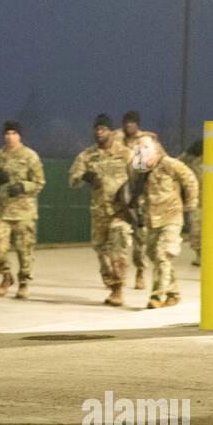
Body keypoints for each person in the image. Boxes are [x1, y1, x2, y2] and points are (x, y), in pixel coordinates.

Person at [68, 114, 133, 306]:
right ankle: (110, 280)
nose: (99, 133)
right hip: (99, 211)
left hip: (121, 212)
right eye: (97, 129)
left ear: (111, 132)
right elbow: (72, 180)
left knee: (118, 249)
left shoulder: (127, 153)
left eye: (103, 129)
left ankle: (118, 289)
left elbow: (143, 174)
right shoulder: (87, 155)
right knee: (101, 250)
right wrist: (83, 177)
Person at [128, 134, 197, 309]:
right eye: (139, 148)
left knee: (163, 254)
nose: (141, 150)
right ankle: (173, 292)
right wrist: (137, 163)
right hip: (152, 219)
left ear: (156, 148)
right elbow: (133, 184)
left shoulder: (169, 164)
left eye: (145, 147)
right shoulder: (141, 169)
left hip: (171, 216)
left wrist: (191, 203)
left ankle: (156, 296)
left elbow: (190, 179)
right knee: (153, 255)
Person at [0, 120, 46, 299]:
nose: (10, 136)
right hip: (2, 210)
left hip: (24, 212)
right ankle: (6, 276)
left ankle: (23, 282)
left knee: (24, 250)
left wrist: (23, 187)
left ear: (19, 135)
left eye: (13, 133)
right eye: (7, 133)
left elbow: (40, 182)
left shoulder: (30, 156)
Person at [112, 111, 149, 289]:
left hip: (138, 195)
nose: (128, 125)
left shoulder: (143, 142)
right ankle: (119, 276)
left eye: (132, 122)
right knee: (118, 236)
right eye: (126, 122)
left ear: (138, 124)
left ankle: (140, 271)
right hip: (119, 195)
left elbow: (143, 170)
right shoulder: (116, 137)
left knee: (139, 238)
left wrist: (138, 196)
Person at [179, 139, 205, 266]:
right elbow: (177, 164)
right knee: (196, 229)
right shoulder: (190, 160)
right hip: (197, 200)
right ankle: (200, 254)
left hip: (212, 200)